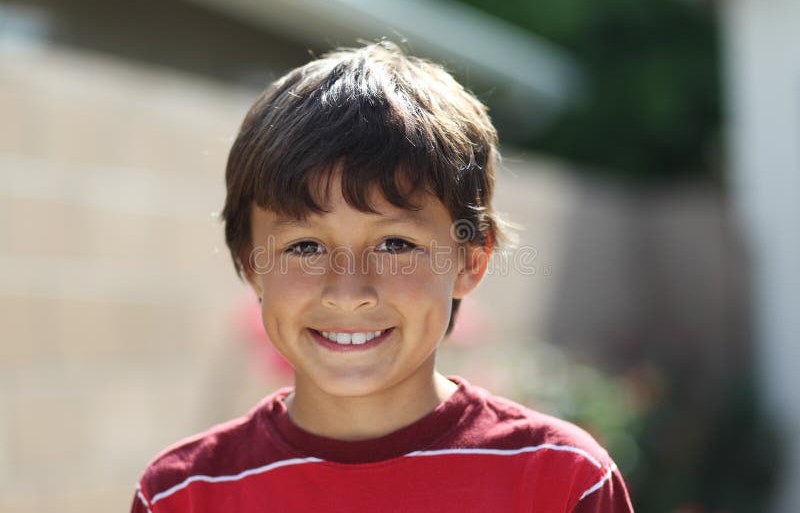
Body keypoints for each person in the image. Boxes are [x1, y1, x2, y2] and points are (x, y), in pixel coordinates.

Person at [131, 41, 633, 512]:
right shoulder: (184, 495)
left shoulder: (560, 480)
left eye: (395, 245)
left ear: (470, 262)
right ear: (249, 264)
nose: (348, 292)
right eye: (304, 247)